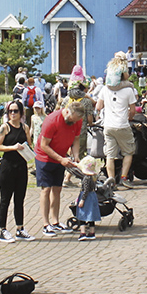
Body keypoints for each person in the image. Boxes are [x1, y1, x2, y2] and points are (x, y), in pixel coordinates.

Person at [35, 98, 93, 236]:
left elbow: (76, 139)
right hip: (45, 158)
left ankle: (55, 221)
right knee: (46, 189)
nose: (73, 123)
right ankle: (45, 224)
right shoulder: (52, 121)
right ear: (67, 111)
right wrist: (61, 159)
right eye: (71, 119)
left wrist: (76, 155)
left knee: (57, 189)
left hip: (61, 158)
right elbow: (44, 145)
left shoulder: (77, 121)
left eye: (76, 121)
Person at [0, 99, 34, 243]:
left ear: (21, 113)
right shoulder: (5, 127)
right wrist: (13, 147)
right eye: (10, 111)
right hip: (7, 166)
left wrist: (29, 150)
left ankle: (20, 228)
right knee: (5, 199)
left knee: (19, 199)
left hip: (21, 166)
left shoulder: (25, 128)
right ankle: (3, 230)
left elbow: (29, 144)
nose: (12, 114)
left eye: (15, 111)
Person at [98, 65, 139, 187]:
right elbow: (133, 110)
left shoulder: (105, 89)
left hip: (108, 125)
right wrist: (129, 117)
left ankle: (111, 180)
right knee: (128, 152)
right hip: (122, 125)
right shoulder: (128, 90)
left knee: (110, 155)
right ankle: (124, 177)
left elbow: (98, 106)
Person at [71, 156, 101, 241]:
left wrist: (82, 200)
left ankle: (83, 233)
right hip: (92, 196)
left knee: (82, 215)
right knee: (91, 215)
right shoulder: (93, 177)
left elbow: (86, 190)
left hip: (87, 198)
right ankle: (92, 232)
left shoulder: (87, 178)